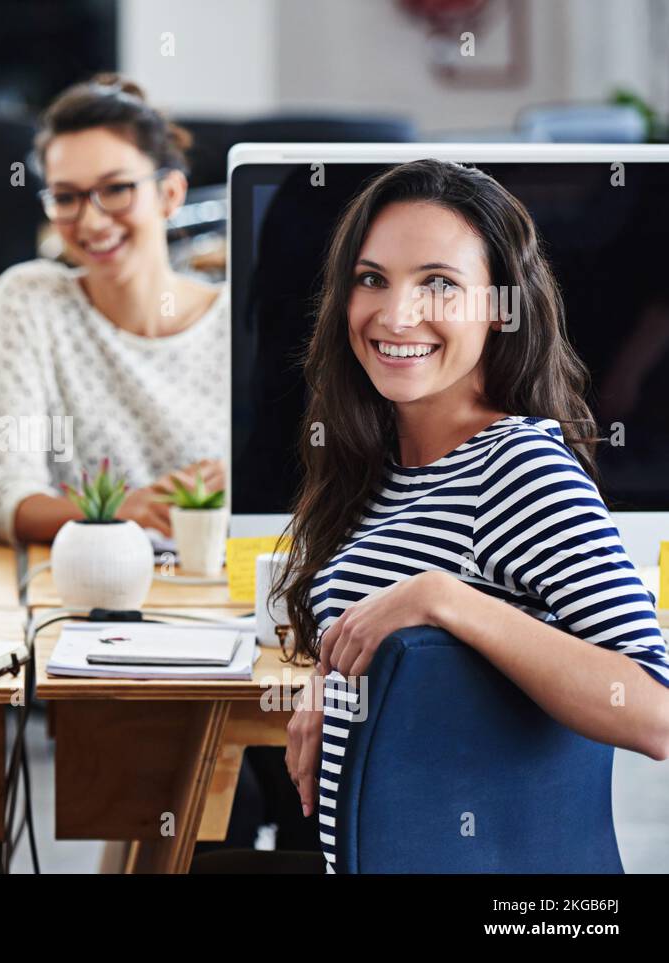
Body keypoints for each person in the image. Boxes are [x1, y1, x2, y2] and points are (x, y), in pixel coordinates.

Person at [278, 159, 669, 873]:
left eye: (438, 283)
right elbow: (422, 661)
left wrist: (440, 597)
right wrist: (338, 674)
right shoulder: (378, 469)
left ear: (499, 307)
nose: (395, 314)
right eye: (372, 279)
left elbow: (652, 709)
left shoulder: (517, 468)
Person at [0, 74, 227, 545]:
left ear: (169, 195)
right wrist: (121, 511)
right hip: (77, 594)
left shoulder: (238, 320)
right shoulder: (33, 300)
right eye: (67, 198)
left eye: (115, 190)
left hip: (218, 595)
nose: (90, 221)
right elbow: (7, 503)